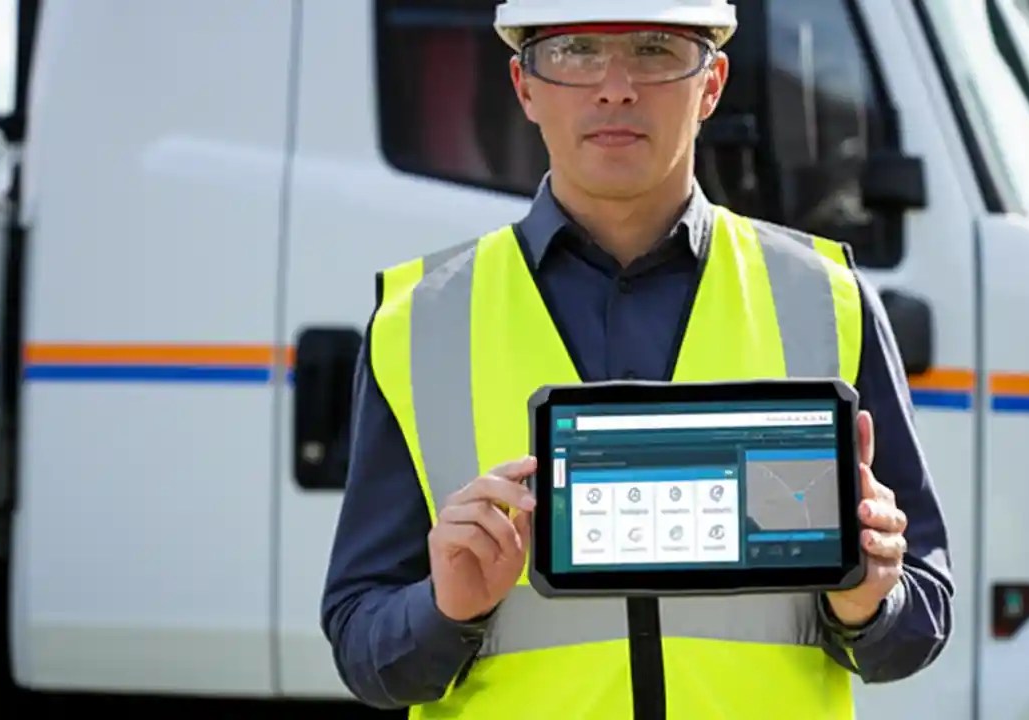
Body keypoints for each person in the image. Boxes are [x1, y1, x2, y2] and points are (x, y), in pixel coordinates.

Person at [320, 0, 953, 717]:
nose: (615, 84)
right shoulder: (419, 321)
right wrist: (444, 610)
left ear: (711, 84)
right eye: (575, 50)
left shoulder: (828, 302)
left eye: (654, 50)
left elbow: (920, 617)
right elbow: (362, 645)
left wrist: (870, 604)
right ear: (524, 86)